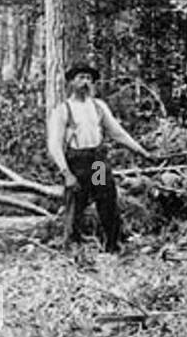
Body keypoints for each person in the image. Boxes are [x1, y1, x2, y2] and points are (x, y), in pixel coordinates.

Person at [47, 63, 153, 253]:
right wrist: (66, 173)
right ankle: (73, 249)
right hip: (77, 162)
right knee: (76, 206)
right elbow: (54, 145)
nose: (85, 82)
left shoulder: (98, 107)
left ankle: (112, 246)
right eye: (81, 78)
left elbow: (117, 133)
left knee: (107, 201)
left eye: (89, 78)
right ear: (71, 82)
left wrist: (141, 151)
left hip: (97, 162)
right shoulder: (63, 110)